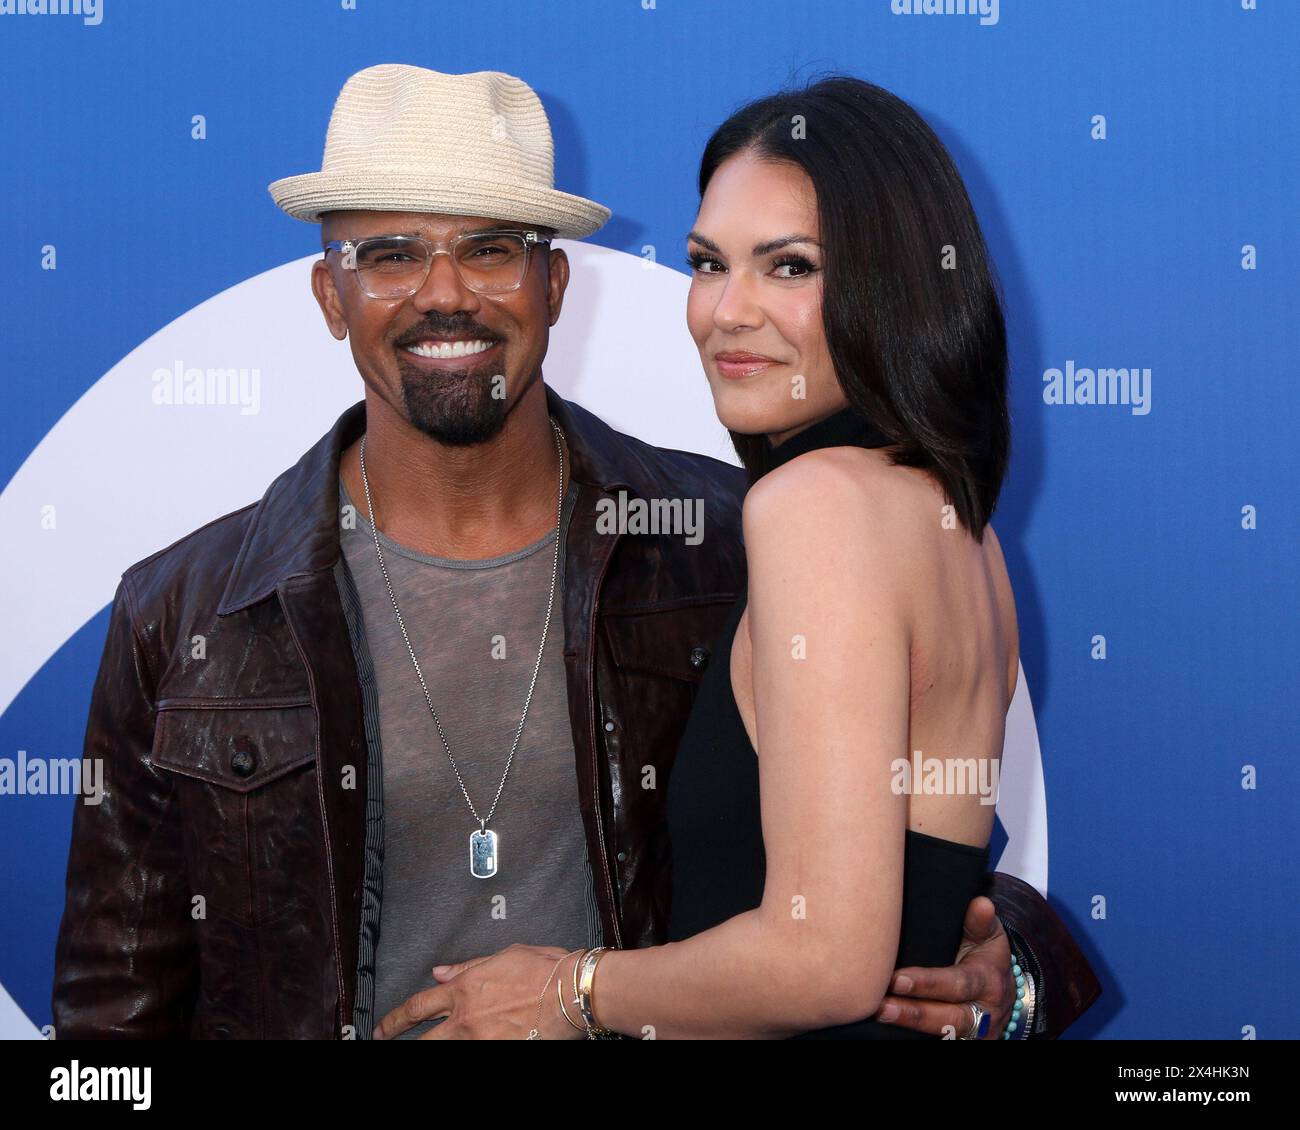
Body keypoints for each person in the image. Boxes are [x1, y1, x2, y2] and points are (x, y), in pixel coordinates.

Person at [51, 64, 1096, 1040]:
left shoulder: (722, 542)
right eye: (391, 252)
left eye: (491, 247)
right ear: (331, 297)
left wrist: (1009, 966)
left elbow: (873, 876)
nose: (445, 291)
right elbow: (113, 1018)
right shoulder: (187, 612)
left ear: (554, 284)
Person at [372, 74, 1048, 1041]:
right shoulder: (948, 518)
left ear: (896, 281)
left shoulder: (815, 507)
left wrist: (564, 991)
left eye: (789, 267)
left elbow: (825, 963)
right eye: (707, 263)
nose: (725, 312)